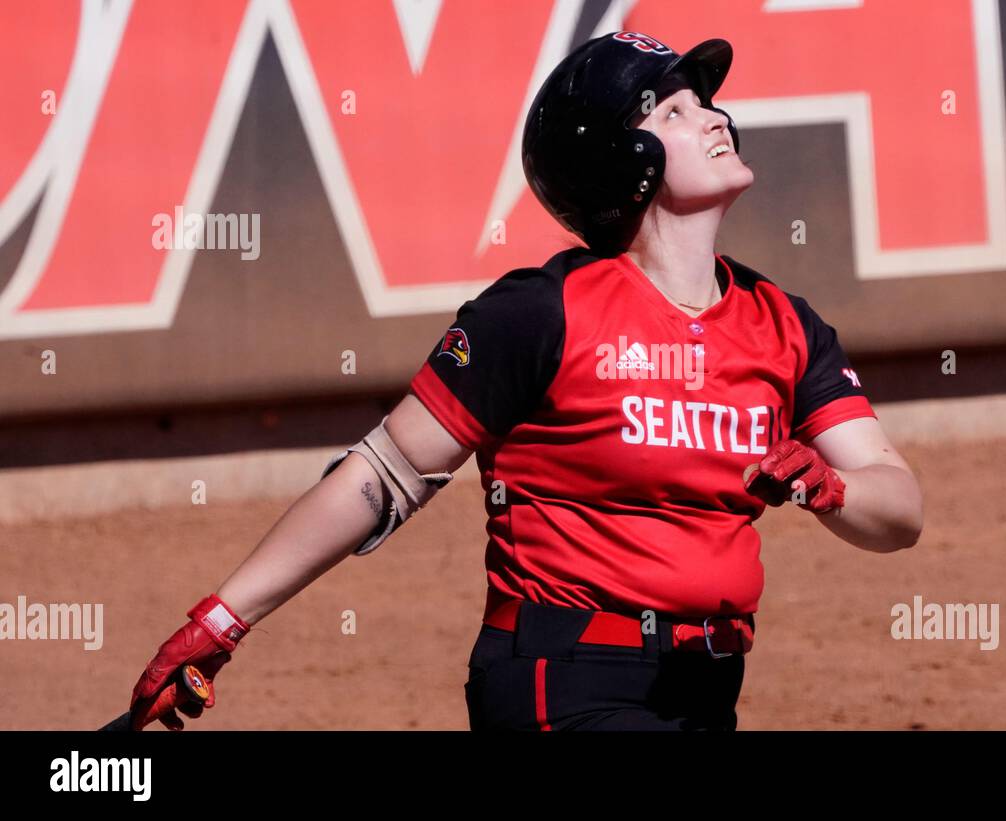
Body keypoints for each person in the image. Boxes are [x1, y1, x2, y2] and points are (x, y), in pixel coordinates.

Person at [127, 30, 924, 733]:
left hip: (703, 691)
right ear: (622, 160)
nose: (714, 118)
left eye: (706, 103)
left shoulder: (781, 322)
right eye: (673, 111)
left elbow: (900, 508)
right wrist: (222, 620)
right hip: (561, 682)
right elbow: (382, 475)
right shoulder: (542, 311)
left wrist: (834, 486)